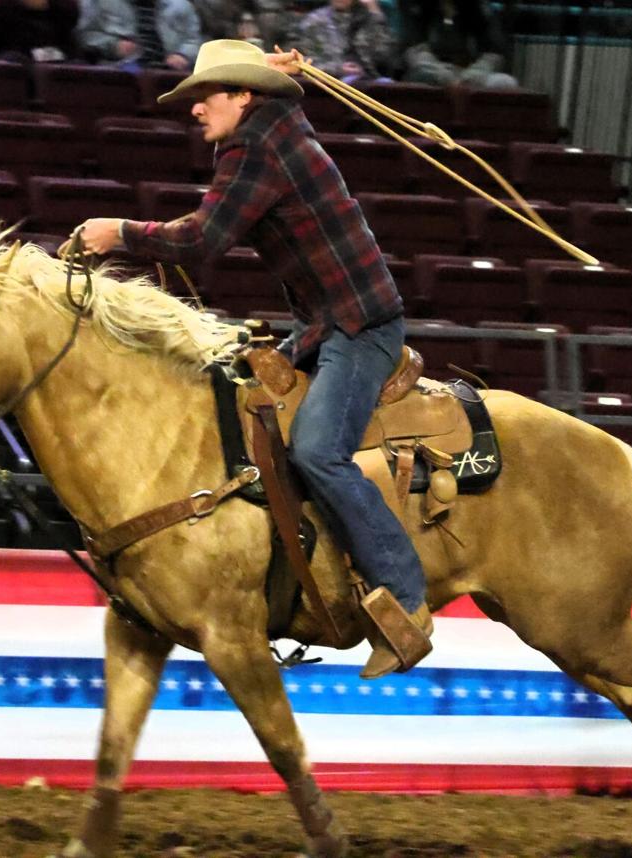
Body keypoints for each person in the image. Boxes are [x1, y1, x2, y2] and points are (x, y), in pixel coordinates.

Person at [76, 39, 432, 679]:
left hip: (358, 327)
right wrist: (279, 79)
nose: (193, 109)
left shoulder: (254, 147)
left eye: (204, 94)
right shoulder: (275, 128)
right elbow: (216, 215)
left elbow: (205, 238)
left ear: (242, 94)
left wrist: (120, 233)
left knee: (318, 451)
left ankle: (404, 598)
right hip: (329, 324)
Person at [398, 0, 516, 89]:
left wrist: (471, 76)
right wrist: (443, 76)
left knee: (505, 82)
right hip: (431, 74)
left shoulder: (479, 8)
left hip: (470, 75)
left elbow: (494, 53)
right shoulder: (417, 5)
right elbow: (412, 49)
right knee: (419, 77)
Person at [75, 0, 202, 70]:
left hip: (167, 72)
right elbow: (85, 35)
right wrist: (113, 45)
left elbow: (194, 40)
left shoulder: (181, 5)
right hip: (117, 70)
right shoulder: (100, 2)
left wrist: (183, 55)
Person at [294, 0, 397, 83]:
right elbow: (302, 63)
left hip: (368, 83)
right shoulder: (313, 22)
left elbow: (387, 58)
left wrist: (375, 14)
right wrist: (338, 69)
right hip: (329, 85)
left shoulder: (370, 19)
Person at [0, 0, 79, 64]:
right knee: (11, 63)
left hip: (56, 50)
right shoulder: (2, 7)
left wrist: (48, 3)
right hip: (11, 50)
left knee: (78, 66)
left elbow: (71, 15)